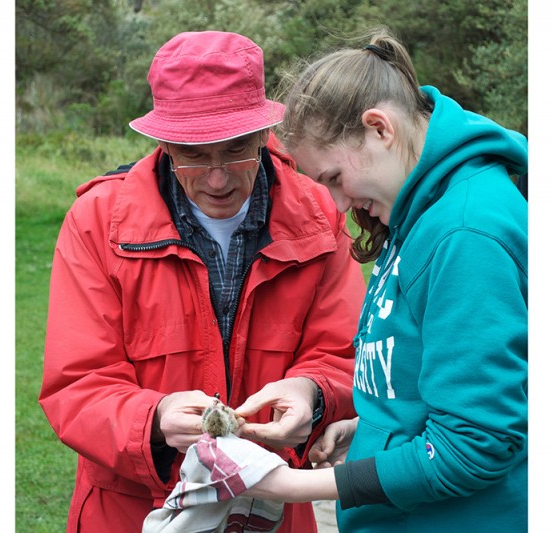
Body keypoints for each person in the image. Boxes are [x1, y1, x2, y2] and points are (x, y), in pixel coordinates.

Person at [38, 30, 366, 532]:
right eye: (193, 153)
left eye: (236, 150)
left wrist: (312, 392)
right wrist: (153, 417)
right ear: (164, 143)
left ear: (263, 134)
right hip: (132, 512)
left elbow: (346, 354)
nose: (217, 179)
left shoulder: (318, 215)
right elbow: (77, 384)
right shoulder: (97, 222)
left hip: (269, 509)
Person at [245, 29, 528, 531]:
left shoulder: (465, 232)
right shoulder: (416, 208)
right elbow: (433, 376)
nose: (334, 204)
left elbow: (474, 446)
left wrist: (290, 485)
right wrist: (374, 429)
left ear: (380, 128)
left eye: (333, 178)